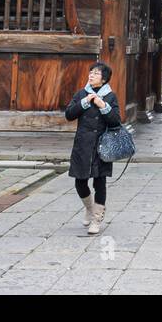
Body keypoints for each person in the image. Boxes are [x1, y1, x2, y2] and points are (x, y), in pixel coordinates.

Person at [64, 62, 122, 235]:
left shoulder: (110, 96)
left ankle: (96, 219)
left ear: (103, 79)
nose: (91, 75)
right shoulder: (82, 93)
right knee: (79, 182)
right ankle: (89, 208)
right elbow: (69, 114)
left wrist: (102, 104)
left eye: (96, 73)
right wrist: (84, 102)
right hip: (82, 145)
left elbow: (116, 121)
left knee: (100, 182)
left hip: (101, 146)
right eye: (91, 72)